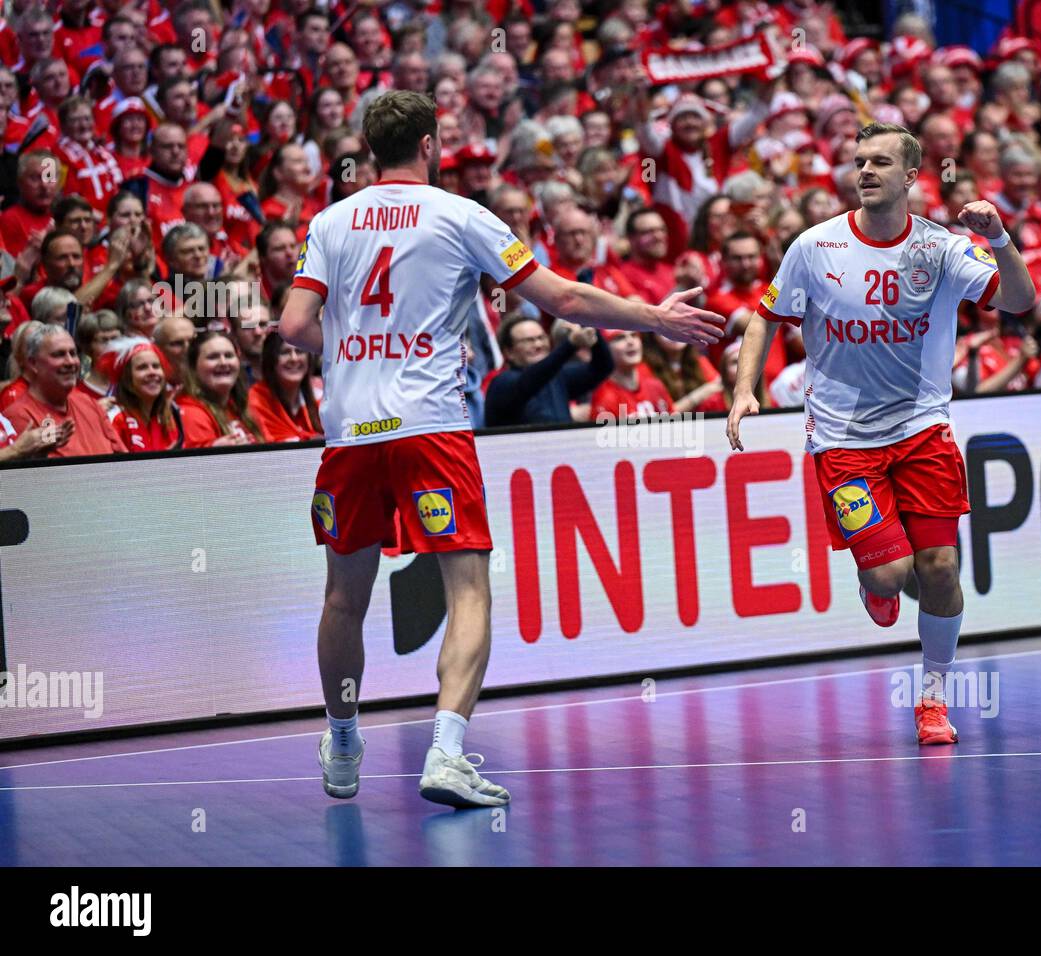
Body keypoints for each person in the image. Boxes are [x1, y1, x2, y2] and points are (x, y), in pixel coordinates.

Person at [277, 91, 723, 806]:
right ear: (429, 146)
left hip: (350, 432)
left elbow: (295, 326)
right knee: (469, 587)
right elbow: (564, 302)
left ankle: (342, 736)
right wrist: (653, 317)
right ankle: (445, 753)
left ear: (369, 146)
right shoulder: (460, 215)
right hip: (430, 427)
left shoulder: (329, 221)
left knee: (342, 596)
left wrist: (365, 351)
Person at [726, 122, 1035, 746]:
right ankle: (879, 580)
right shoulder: (815, 247)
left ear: (911, 177)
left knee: (942, 568)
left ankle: (931, 698)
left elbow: (1022, 301)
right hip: (842, 441)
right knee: (892, 575)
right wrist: (743, 391)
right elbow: (764, 318)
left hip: (922, 429)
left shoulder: (942, 249)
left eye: (880, 162)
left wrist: (999, 239)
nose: (864, 171)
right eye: (858, 161)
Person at [4, 323, 125, 457]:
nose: (70, 362)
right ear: (33, 363)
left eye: (73, 353)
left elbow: (124, 460)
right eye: (58, 355)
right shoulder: (18, 416)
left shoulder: (90, 404)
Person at [485, 315, 613, 427]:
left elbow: (602, 367)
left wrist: (589, 328)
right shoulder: (502, 383)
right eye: (529, 341)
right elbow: (530, 382)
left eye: (542, 338)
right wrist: (570, 345)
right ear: (509, 352)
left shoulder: (558, 377)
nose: (538, 345)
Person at [176, 329, 262, 447]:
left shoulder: (242, 407)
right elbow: (198, 464)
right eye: (213, 357)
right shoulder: (190, 412)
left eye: (229, 355)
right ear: (193, 367)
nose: (223, 362)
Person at [101, 336, 182, 451]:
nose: (152, 372)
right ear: (127, 378)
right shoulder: (115, 418)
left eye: (156, 366)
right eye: (142, 367)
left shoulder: (169, 418)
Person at [247, 330, 323, 442]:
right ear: (271, 360)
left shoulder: (318, 399)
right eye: (285, 352)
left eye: (299, 351)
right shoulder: (257, 399)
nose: (294, 358)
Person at [590, 330, 673, 420]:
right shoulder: (605, 398)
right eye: (619, 338)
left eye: (634, 335)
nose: (630, 342)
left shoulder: (655, 385)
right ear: (605, 348)